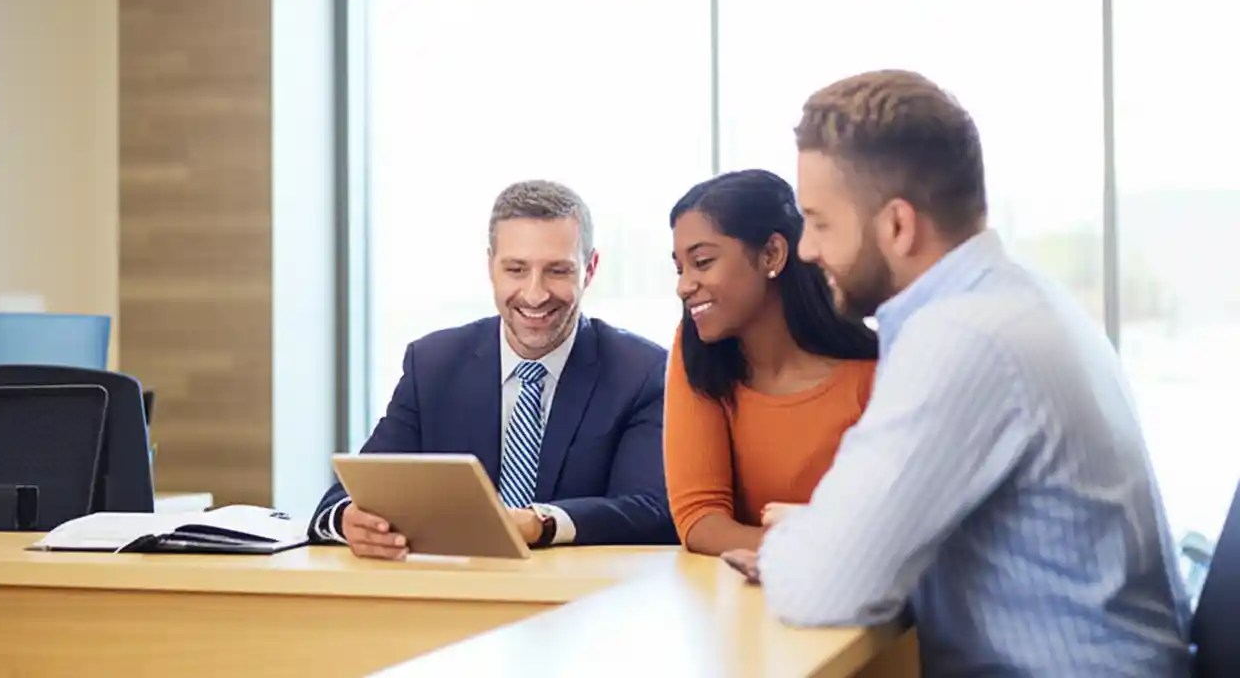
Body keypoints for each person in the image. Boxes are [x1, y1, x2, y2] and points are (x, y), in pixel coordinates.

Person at [750, 69, 1191, 675]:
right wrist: (832, 531)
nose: (806, 250)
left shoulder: (961, 338)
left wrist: (802, 546)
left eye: (820, 222)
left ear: (897, 226)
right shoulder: (1024, 302)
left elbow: (821, 588)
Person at [310, 180, 677, 557]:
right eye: (516, 269)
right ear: (491, 267)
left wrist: (541, 523)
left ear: (590, 269)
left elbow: (650, 510)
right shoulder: (433, 365)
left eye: (557, 271)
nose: (535, 294)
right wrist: (348, 520)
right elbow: (347, 495)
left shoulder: (642, 372)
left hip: (581, 602)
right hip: (451, 599)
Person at [664, 169, 877, 556]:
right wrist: (805, 551)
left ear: (771, 254)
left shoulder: (877, 374)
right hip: (742, 600)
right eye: (680, 268)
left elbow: (884, 531)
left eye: (703, 262)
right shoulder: (696, 350)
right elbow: (700, 520)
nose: (684, 286)